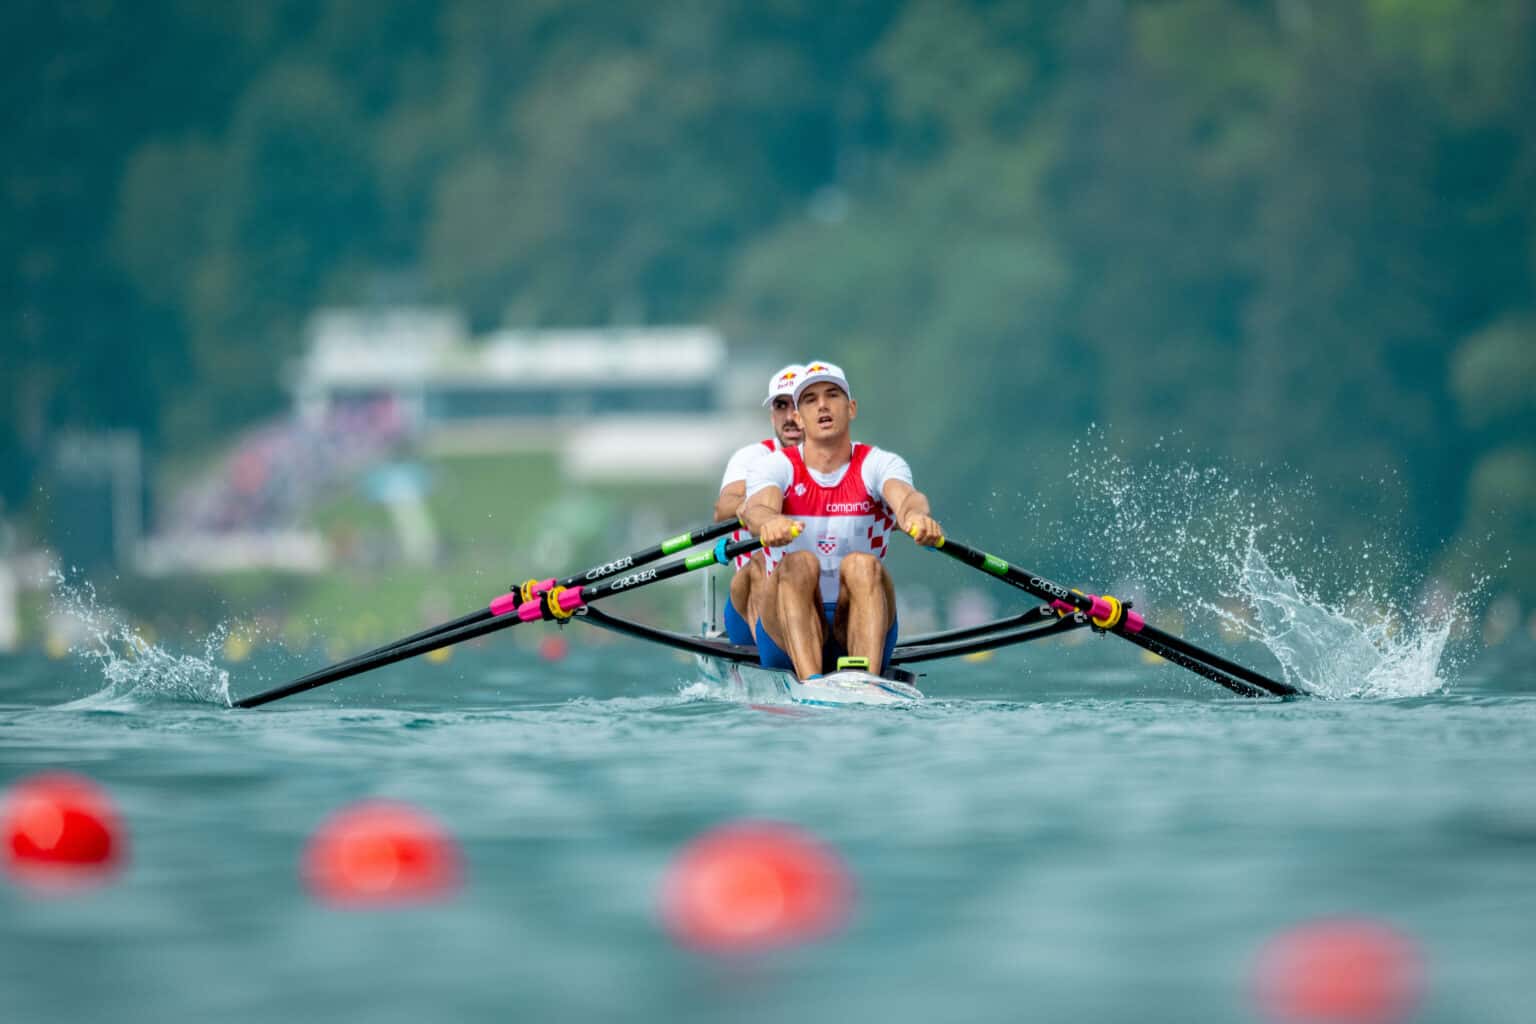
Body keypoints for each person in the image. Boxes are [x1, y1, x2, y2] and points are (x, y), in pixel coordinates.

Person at [740, 361, 942, 679]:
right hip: (783, 629)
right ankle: (812, 682)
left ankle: (868, 684)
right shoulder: (775, 467)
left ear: (851, 408)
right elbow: (756, 510)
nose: (822, 405)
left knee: (862, 564)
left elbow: (907, 497)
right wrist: (768, 522)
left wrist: (915, 516)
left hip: (860, 619)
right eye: (810, 400)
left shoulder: (879, 463)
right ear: (798, 417)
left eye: (832, 395)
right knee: (798, 563)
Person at [713, 363, 805, 645]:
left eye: (798, 404)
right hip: (751, 603)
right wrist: (750, 506)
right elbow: (723, 509)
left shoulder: (841, 461)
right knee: (760, 562)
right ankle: (777, 654)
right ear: (771, 415)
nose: (790, 417)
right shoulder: (752, 457)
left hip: (813, 596)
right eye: (780, 406)